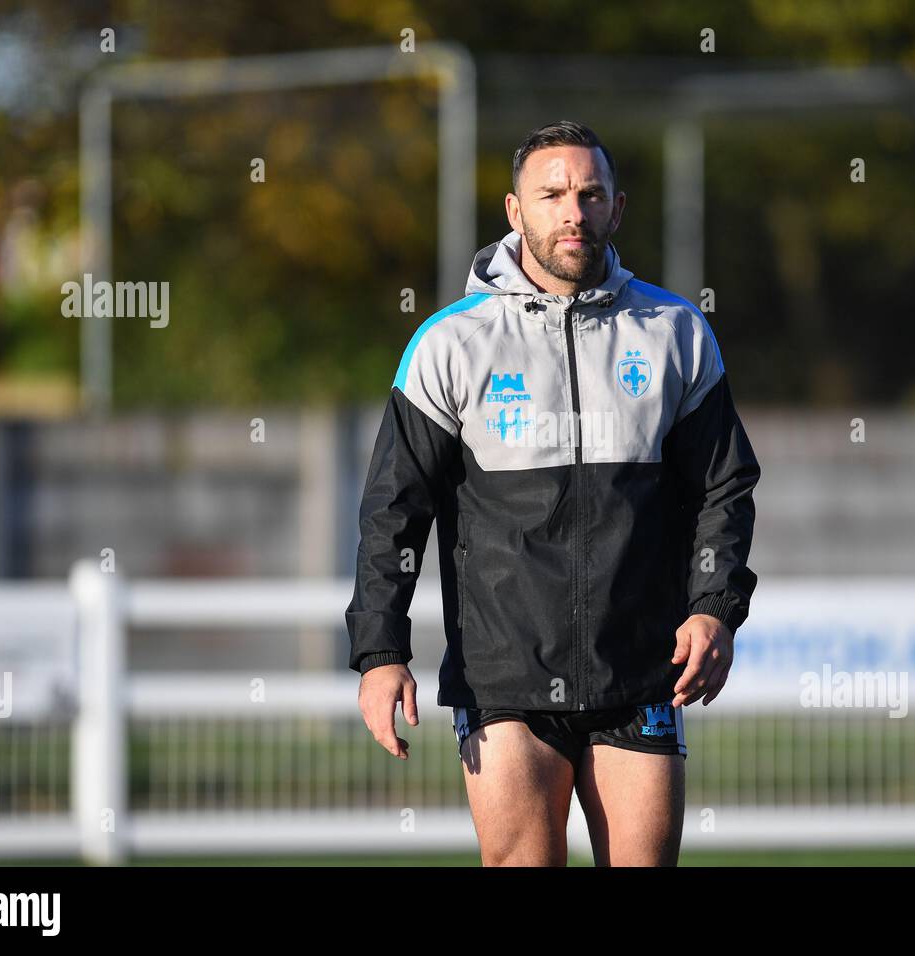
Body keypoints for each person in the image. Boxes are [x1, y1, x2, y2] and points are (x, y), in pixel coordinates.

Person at [346, 120, 760, 866]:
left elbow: (724, 487)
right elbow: (394, 515)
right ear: (515, 212)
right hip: (504, 674)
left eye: (590, 194)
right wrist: (381, 652)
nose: (574, 211)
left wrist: (714, 608)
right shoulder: (450, 344)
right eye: (554, 194)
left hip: (639, 669)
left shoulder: (675, 331)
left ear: (616, 208)